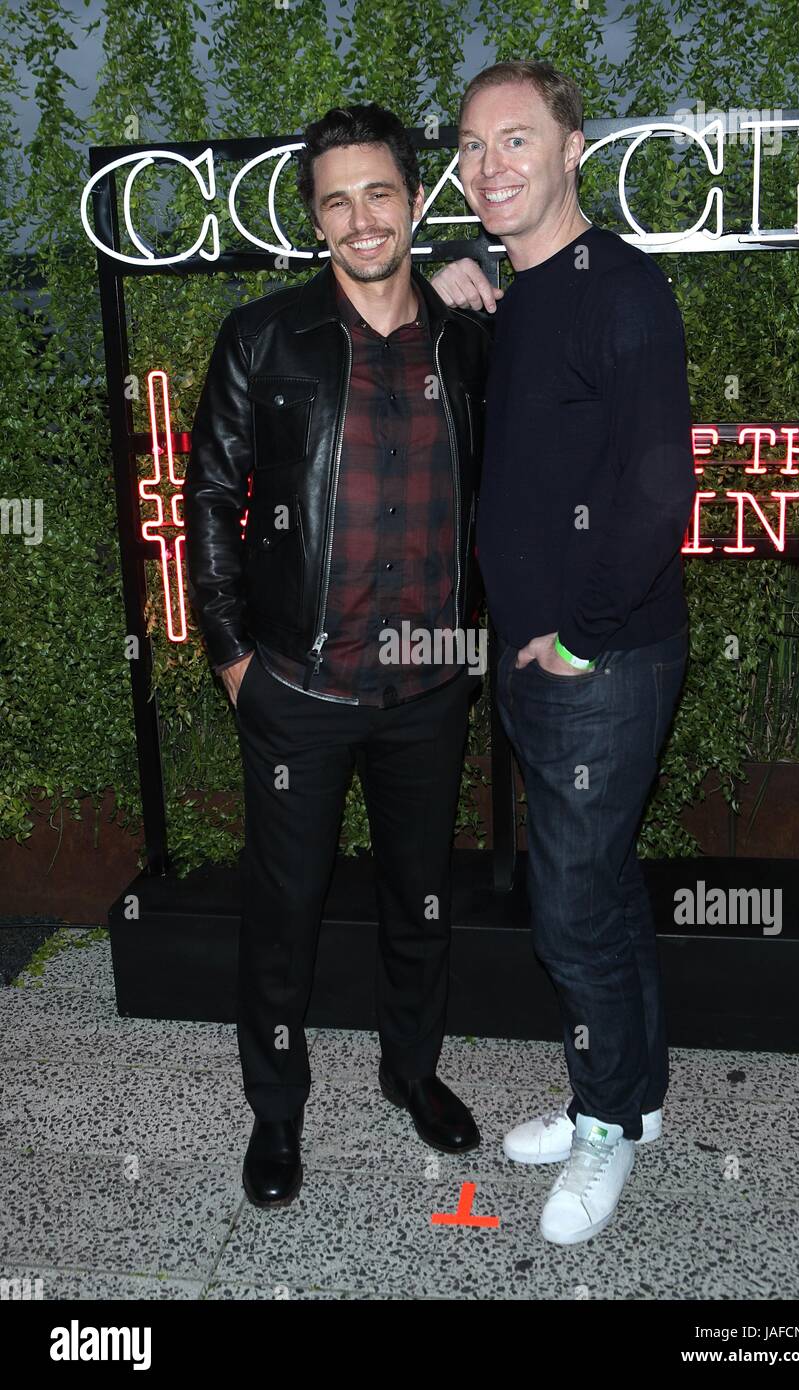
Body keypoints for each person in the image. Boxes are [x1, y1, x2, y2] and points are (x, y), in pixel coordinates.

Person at [183, 102, 491, 1209]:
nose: (359, 218)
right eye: (335, 200)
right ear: (314, 220)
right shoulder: (264, 338)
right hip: (298, 686)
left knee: (419, 899)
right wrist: (233, 661)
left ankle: (410, 1070)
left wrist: (472, 266)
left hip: (426, 677)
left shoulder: (466, 337)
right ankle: (276, 1114)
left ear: (412, 200)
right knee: (284, 913)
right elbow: (211, 501)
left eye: (378, 193)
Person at [431, 61, 697, 1244]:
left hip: (602, 660)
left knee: (569, 909)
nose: (491, 165)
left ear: (572, 148)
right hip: (540, 660)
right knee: (597, 896)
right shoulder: (517, 291)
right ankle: (628, 1103)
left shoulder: (620, 289)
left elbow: (657, 498)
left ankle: (601, 1125)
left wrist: (577, 643)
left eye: (516, 140)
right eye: (474, 146)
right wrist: (454, 293)